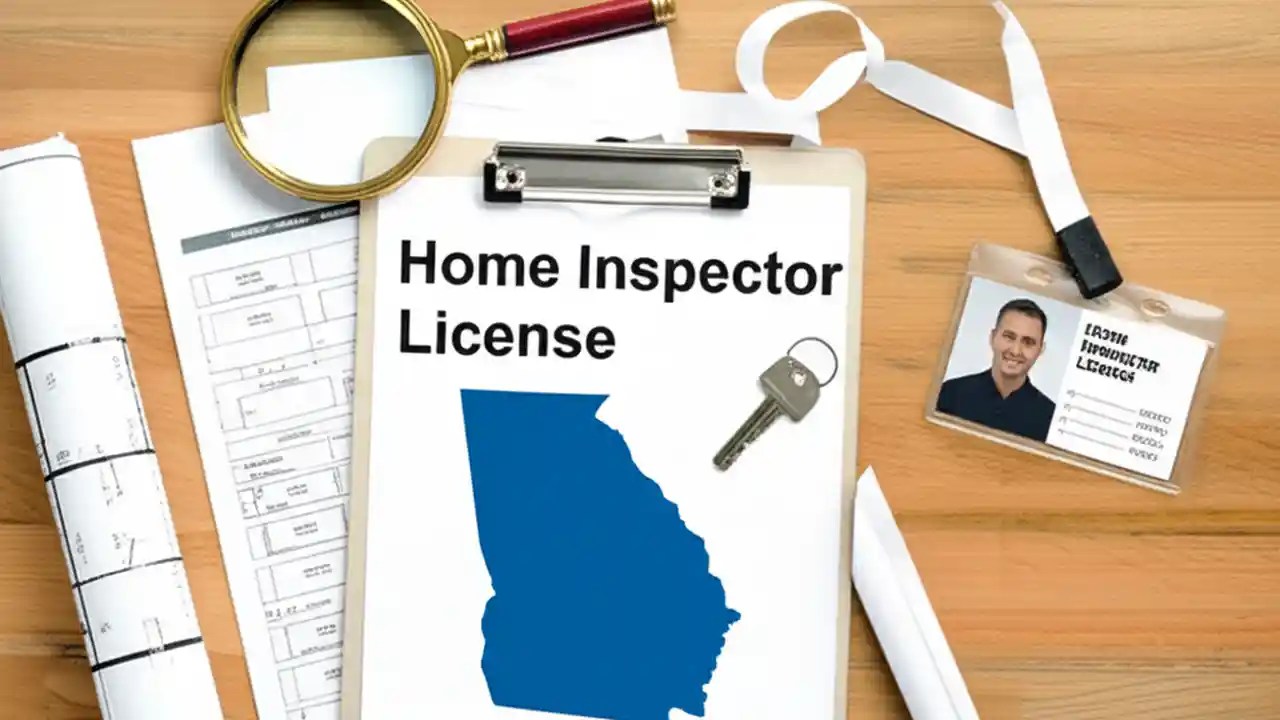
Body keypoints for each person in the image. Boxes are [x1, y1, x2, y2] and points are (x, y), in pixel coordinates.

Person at [936, 297, 1056, 442]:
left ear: (1040, 349)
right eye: (1009, 337)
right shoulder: (950, 393)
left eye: (1028, 342)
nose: (1016, 351)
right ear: (993, 337)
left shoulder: (1051, 419)